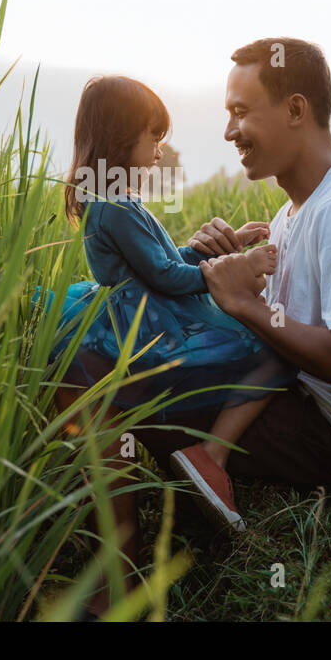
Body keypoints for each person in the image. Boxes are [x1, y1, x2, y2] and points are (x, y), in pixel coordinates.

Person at [49, 38, 331, 619]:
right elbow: (274, 321)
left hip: (321, 431)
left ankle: (117, 574)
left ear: (296, 110)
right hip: (288, 392)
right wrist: (213, 263)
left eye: (241, 112)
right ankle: (124, 553)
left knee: (95, 375)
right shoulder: (295, 213)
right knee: (93, 363)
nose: (228, 131)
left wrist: (242, 304)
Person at [49, 75, 298, 532]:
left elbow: (164, 262)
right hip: (149, 323)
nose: (160, 150)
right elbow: (165, 277)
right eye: (153, 137)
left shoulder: (120, 202)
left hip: (150, 307)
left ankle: (206, 458)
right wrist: (235, 267)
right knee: (270, 354)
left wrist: (221, 251)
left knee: (265, 352)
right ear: (121, 138)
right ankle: (210, 456)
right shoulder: (116, 208)